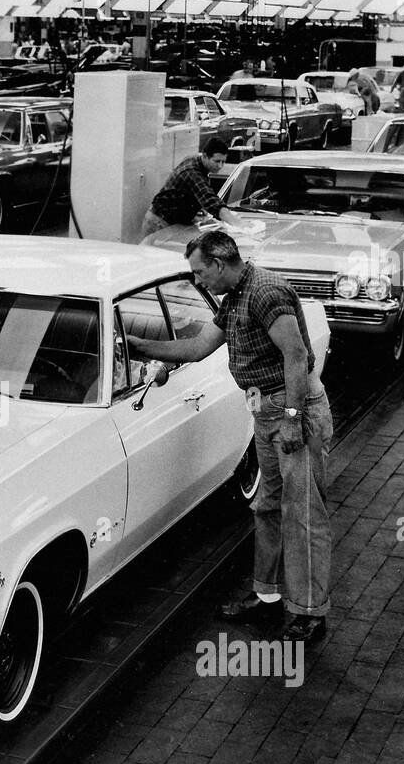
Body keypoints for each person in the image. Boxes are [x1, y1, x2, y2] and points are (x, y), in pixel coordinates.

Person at [126, 231, 333, 642]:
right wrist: (138, 346)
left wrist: (292, 418)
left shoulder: (265, 293)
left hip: (292, 412)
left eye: (201, 273)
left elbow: (296, 355)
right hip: (265, 412)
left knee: (303, 514)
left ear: (220, 264)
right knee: (268, 505)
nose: (199, 282)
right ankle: (268, 597)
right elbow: (199, 347)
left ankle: (310, 614)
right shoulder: (235, 296)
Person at [142, 137, 246, 236]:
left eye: (223, 161)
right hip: (159, 223)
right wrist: (238, 224)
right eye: (217, 161)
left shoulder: (195, 160)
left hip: (173, 222)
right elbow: (210, 200)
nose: (220, 166)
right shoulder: (192, 173)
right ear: (205, 156)